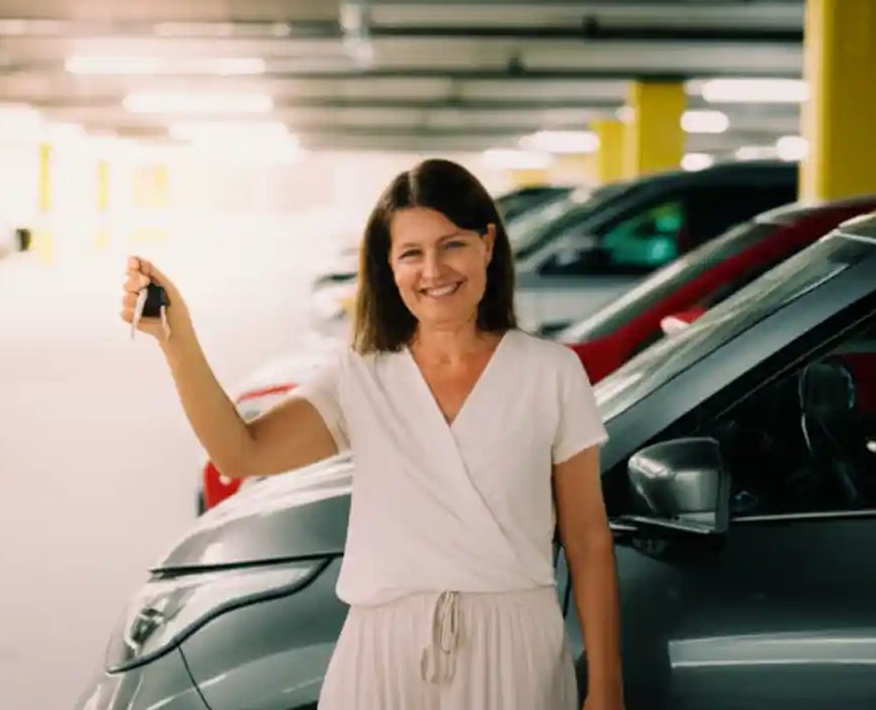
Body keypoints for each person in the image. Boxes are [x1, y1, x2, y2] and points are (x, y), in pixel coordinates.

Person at [121, 158, 624, 710]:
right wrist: (178, 339)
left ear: (487, 245)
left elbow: (588, 539)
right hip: (384, 658)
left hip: (515, 653)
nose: (433, 270)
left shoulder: (551, 372)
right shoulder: (361, 375)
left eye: (451, 244)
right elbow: (240, 452)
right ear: (389, 268)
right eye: (411, 253)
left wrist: (606, 687)